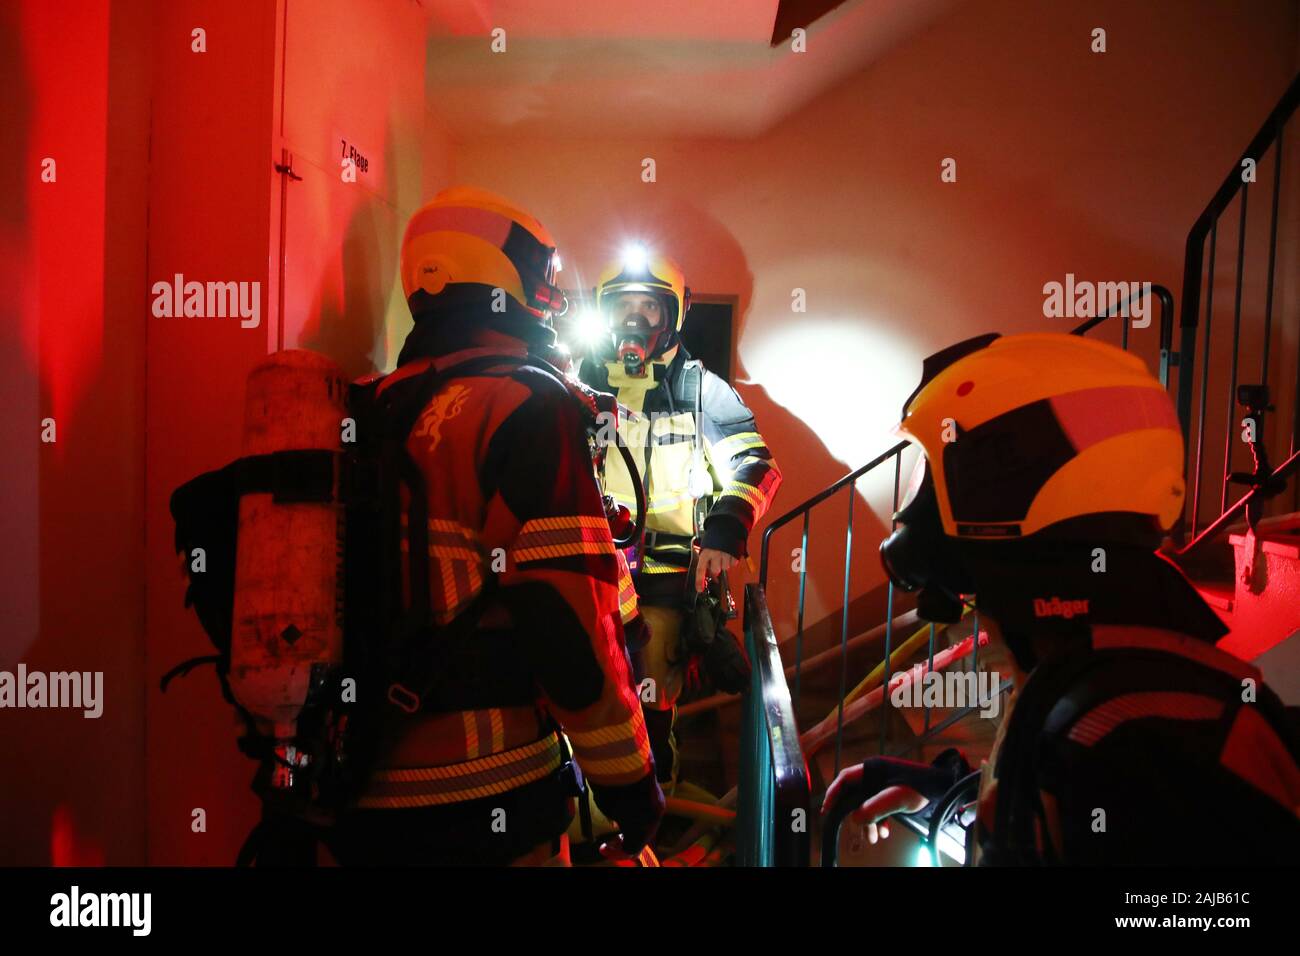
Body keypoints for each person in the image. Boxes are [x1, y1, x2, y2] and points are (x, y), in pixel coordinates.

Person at [823, 332, 1300, 865]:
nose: (913, 510)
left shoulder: (1133, 734)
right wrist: (953, 794)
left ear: (1004, 484)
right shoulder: (1110, 685)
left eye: (931, 474)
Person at [329, 186, 664, 866]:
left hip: (356, 786)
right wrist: (631, 783)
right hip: (492, 793)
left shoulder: (371, 401)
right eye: (543, 275)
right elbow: (568, 624)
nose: (551, 295)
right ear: (501, 276)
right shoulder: (527, 403)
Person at [577, 249, 781, 786]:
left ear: (673, 316)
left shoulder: (701, 390)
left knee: (649, 706)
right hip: (592, 580)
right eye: (624, 306)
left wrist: (727, 526)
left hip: (665, 588)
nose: (635, 320)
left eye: (649, 307)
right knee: (582, 703)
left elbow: (757, 464)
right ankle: (593, 820)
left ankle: (649, 813)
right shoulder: (580, 390)